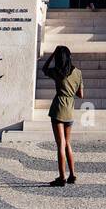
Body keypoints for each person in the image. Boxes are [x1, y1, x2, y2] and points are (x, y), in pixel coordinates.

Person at [43, 45, 83, 185]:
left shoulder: (57, 72)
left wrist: (53, 54)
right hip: (70, 108)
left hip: (58, 107)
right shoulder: (77, 72)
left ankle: (62, 178)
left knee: (60, 144)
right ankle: (72, 174)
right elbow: (81, 94)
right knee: (67, 143)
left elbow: (44, 69)